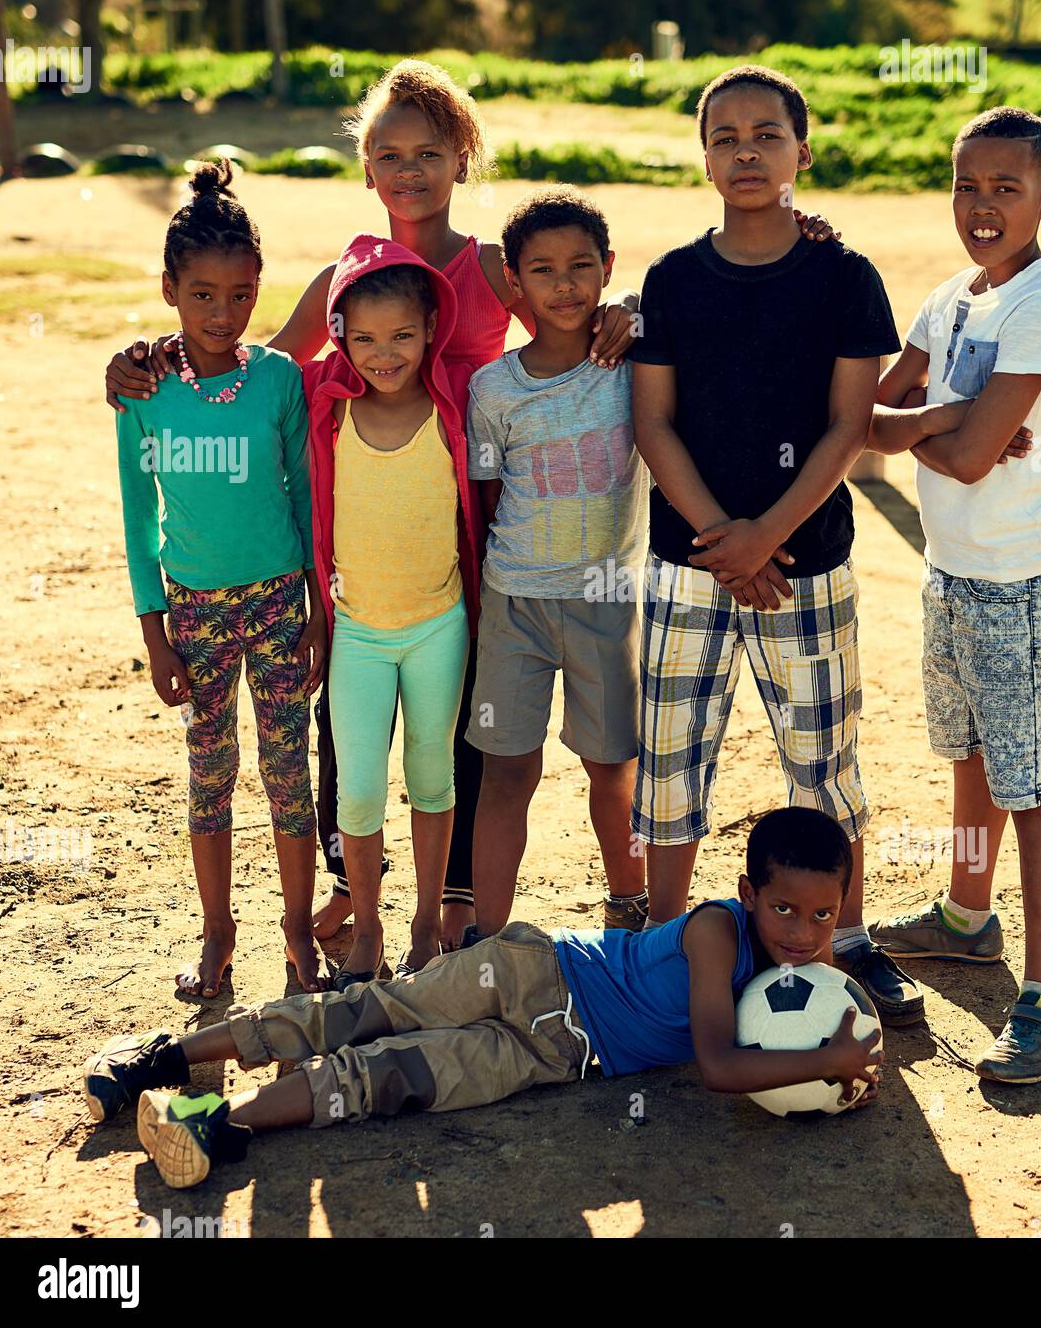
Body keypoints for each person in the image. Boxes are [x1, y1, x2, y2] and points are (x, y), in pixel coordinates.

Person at [101, 61, 642, 953]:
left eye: (430, 152)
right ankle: (360, 892)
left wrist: (626, 306)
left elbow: (568, 301)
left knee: (461, 720)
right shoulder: (343, 278)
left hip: (487, 520)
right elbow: (256, 373)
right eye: (388, 153)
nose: (409, 170)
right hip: (371, 528)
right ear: (365, 167)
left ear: (462, 157)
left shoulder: (496, 267)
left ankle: (455, 899)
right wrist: (155, 358)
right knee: (347, 724)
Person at [82, 807, 882, 1190]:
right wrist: (832, 1058)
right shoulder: (716, 932)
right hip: (537, 972)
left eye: (821, 915)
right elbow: (716, 1064)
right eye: (783, 909)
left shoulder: (801, 985)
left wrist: (832, 1061)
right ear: (748, 894)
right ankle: (161, 1059)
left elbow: (753, 1055)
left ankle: (216, 1126)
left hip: (554, 1057)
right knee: (364, 1012)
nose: (802, 932)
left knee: (389, 1080)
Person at [628, 64, 923, 1025]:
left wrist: (768, 539)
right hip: (691, 568)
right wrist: (728, 543)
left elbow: (849, 425)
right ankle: (665, 947)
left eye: (766, 134)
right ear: (704, 154)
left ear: (803, 149)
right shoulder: (672, 279)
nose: (745, 151)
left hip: (807, 566)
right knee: (671, 763)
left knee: (825, 763)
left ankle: (846, 944)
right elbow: (653, 424)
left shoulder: (843, 279)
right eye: (724, 135)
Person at [866, 106, 1041, 1083]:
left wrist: (948, 422)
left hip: (1019, 571)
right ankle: (965, 917)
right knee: (966, 749)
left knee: (1031, 779)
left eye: (1006, 188)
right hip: (953, 568)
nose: (983, 205)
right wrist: (965, 417)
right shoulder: (949, 296)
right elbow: (877, 421)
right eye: (967, 185)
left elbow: (953, 457)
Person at [113, 159, 325, 998]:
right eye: (202, 294)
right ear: (169, 289)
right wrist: (153, 631)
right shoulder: (147, 390)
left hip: (279, 604)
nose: (222, 312)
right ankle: (218, 933)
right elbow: (137, 517)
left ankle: (299, 932)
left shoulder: (279, 379)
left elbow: (306, 498)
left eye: (239, 295)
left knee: (287, 771)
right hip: (194, 613)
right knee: (210, 771)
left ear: (258, 288)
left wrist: (318, 611)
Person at [465, 187, 650, 936]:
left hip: (607, 600)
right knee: (507, 770)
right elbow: (482, 498)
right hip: (516, 602)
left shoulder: (635, 364)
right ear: (515, 283)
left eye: (582, 266)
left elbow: (673, 299)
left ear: (607, 269)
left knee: (613, 769)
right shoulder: (492, 389)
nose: (565, 283)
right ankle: (488, 931)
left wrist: (636, 307)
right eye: (542, 270)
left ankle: (629, 906)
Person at [301, 234, 483, 983]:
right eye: (366, 338)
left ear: (432, 329)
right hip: (360, 634)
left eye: (403, 336)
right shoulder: (322, 403)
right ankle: (368, 928)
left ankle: (423, 925)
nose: (384, 354)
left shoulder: (458, 400)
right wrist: (161, 358)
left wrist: (627, 311)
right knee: (360, 787)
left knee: (433, 776)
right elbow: (240, 375)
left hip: (439, 625)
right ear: (340, 333)